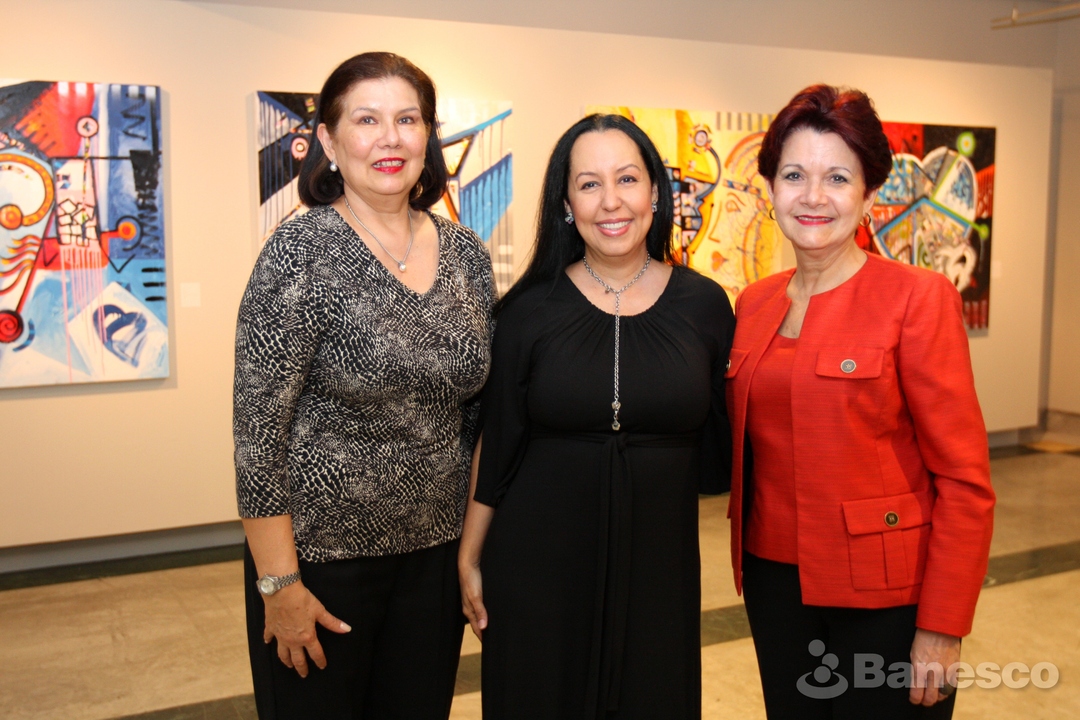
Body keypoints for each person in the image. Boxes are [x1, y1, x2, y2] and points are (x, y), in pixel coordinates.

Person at [233, 52, 494, 719]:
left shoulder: (467, 255)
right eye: (367, 119)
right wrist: (278, 585)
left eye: (408, 119)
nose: (390, 138)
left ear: (428, 135)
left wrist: (471, 550)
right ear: (328, 139)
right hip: (320, 566)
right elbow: (258, 439)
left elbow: (476, 416)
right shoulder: (299, 253)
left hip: (434, 563)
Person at [725, 84, 995, 719]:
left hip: (887, 598)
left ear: (869, 194)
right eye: (794, 175)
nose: (813, 196)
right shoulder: (754, 303)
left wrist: (943, 624)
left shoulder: (917, 298)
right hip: (774, 587)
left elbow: (964, 481)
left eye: (838, 178)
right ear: (771, 189)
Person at [458, 114, 735, 719]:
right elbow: (497, 442)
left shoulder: (706, 306)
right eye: (589, 184)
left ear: (655, 192)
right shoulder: (528, 312)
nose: (611, 201)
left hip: (658, 568)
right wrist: (469, 556)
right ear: (566, 203)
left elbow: (731, 439)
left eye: (627, 179)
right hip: (537, 564)